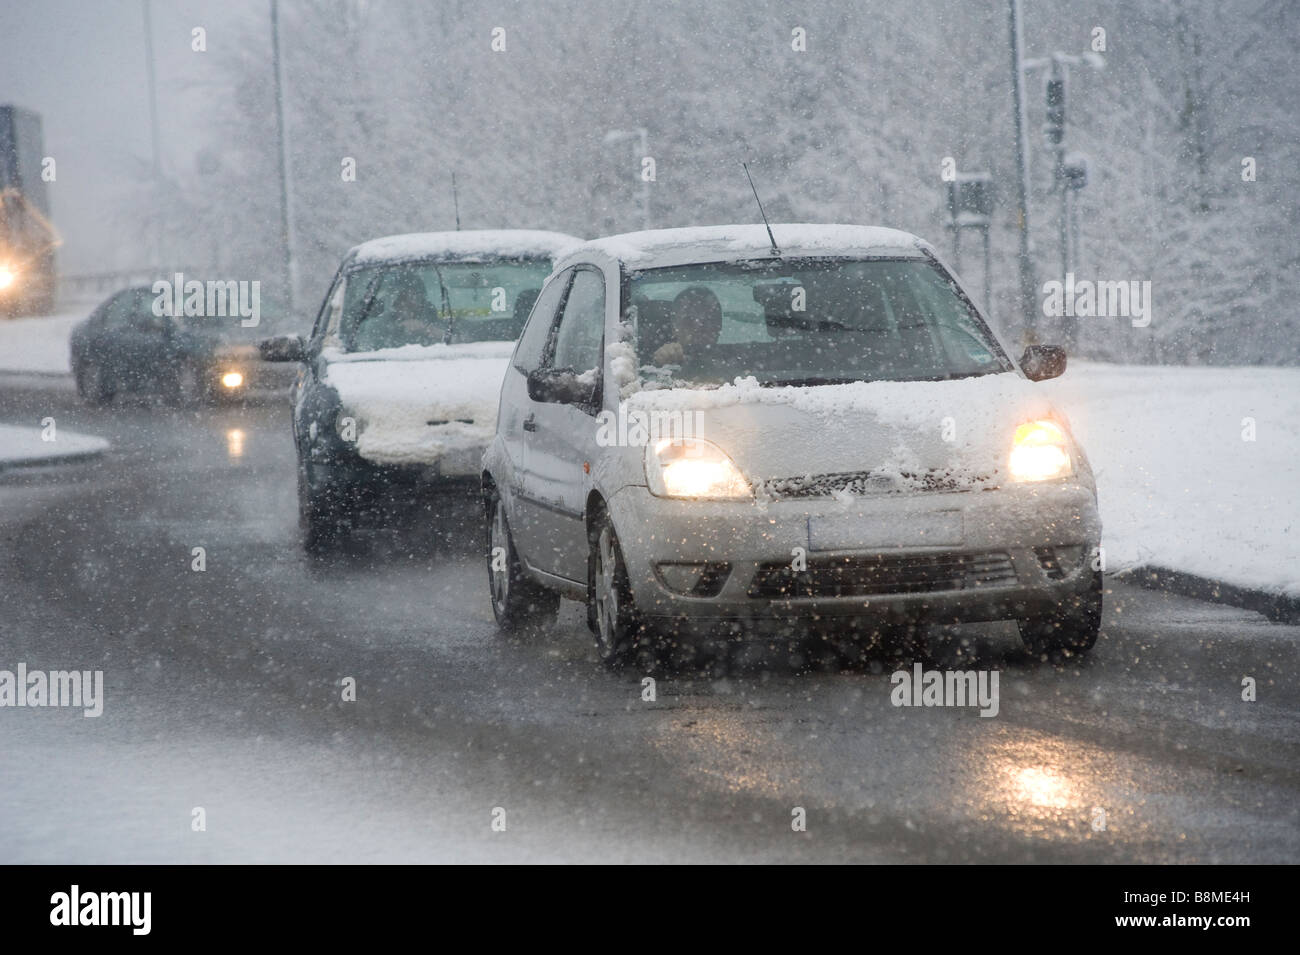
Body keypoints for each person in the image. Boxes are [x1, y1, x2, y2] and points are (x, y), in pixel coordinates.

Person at [651, 286, 722, 366]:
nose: (698, 328)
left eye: (707, 321)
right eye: (689, 321)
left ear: (719, 326)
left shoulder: (736, 362)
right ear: (674, 327)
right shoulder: (665, 361)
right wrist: (659, 364)